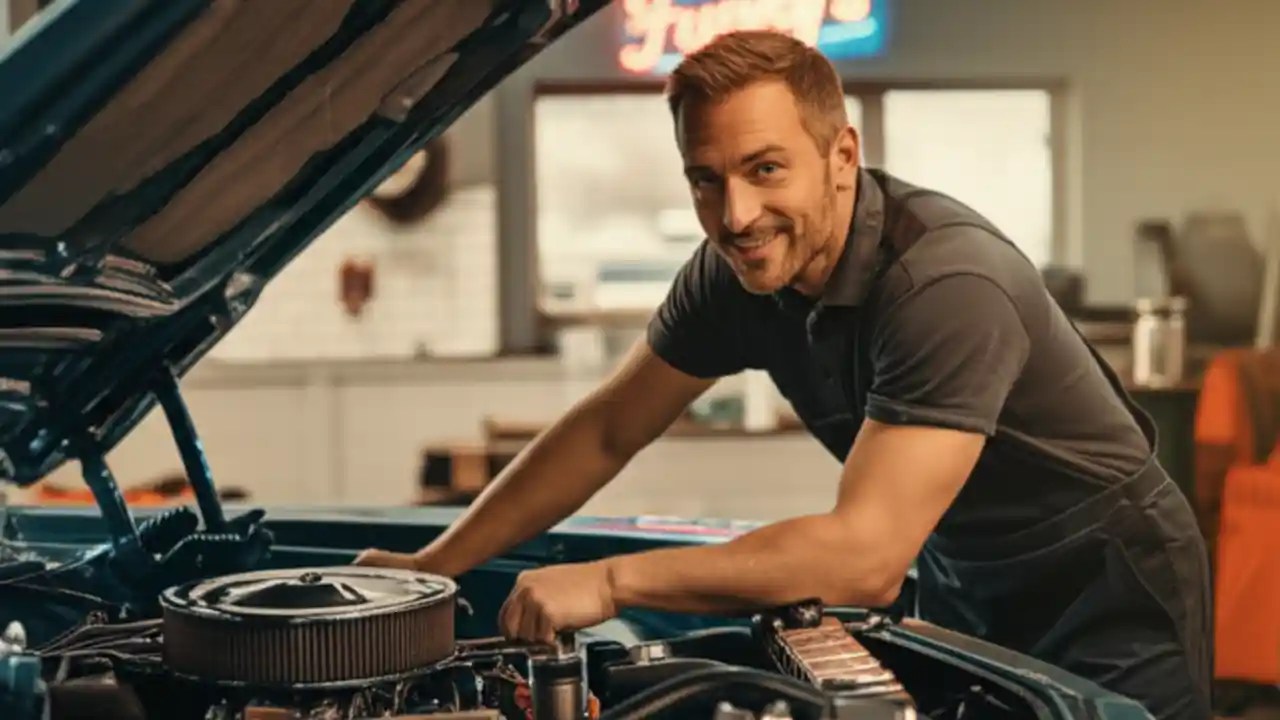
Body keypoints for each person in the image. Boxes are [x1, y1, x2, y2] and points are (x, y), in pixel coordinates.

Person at [356, 30, 1211, 720]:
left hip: (1104, 580)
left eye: (766, 169)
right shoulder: (730, 273)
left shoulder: (946, 285)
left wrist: (612, 580)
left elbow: (865, 555)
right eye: (706, 180)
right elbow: (609, 428)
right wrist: (440, 562)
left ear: (842, 154)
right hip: (962, 567)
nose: (735, 216)